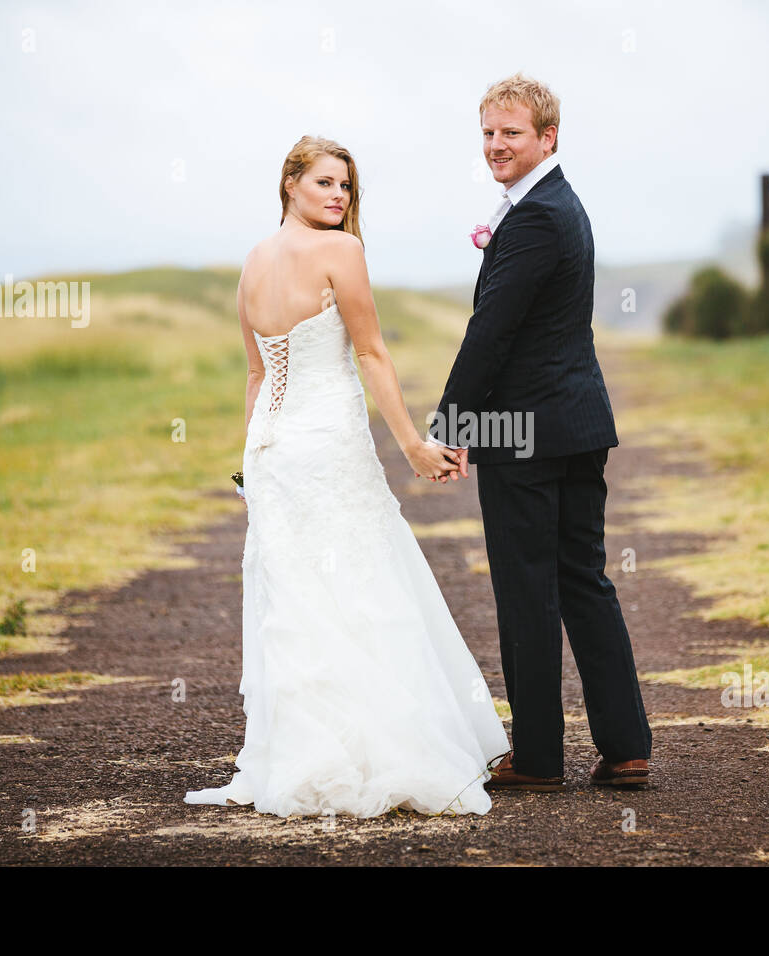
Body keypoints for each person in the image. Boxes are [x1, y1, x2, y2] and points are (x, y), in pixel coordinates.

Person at [183, 135, 509, 817]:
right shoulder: (342, 252)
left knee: (300, 597)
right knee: (359, 583)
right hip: (326, 444)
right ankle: (376, 753)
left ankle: (303, 759)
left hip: (274, 453)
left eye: (347, 188)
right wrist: (415, 447)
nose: (339, 196)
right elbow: (373, 355)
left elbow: (256, 374)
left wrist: (250, 459)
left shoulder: (252, 263)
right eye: (326, 183)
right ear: (290, 183)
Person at [427, 73, 652, 791]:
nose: (496, 145)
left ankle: (539, 758)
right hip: (578, 423)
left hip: (525, 433)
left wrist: (451, 424)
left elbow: (492, 331)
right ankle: (625, 747)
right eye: (489, 133)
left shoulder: (533, 217)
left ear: (546, 138)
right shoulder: (561, 204)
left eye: (511, 133)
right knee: (584, 580)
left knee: (529, 588)